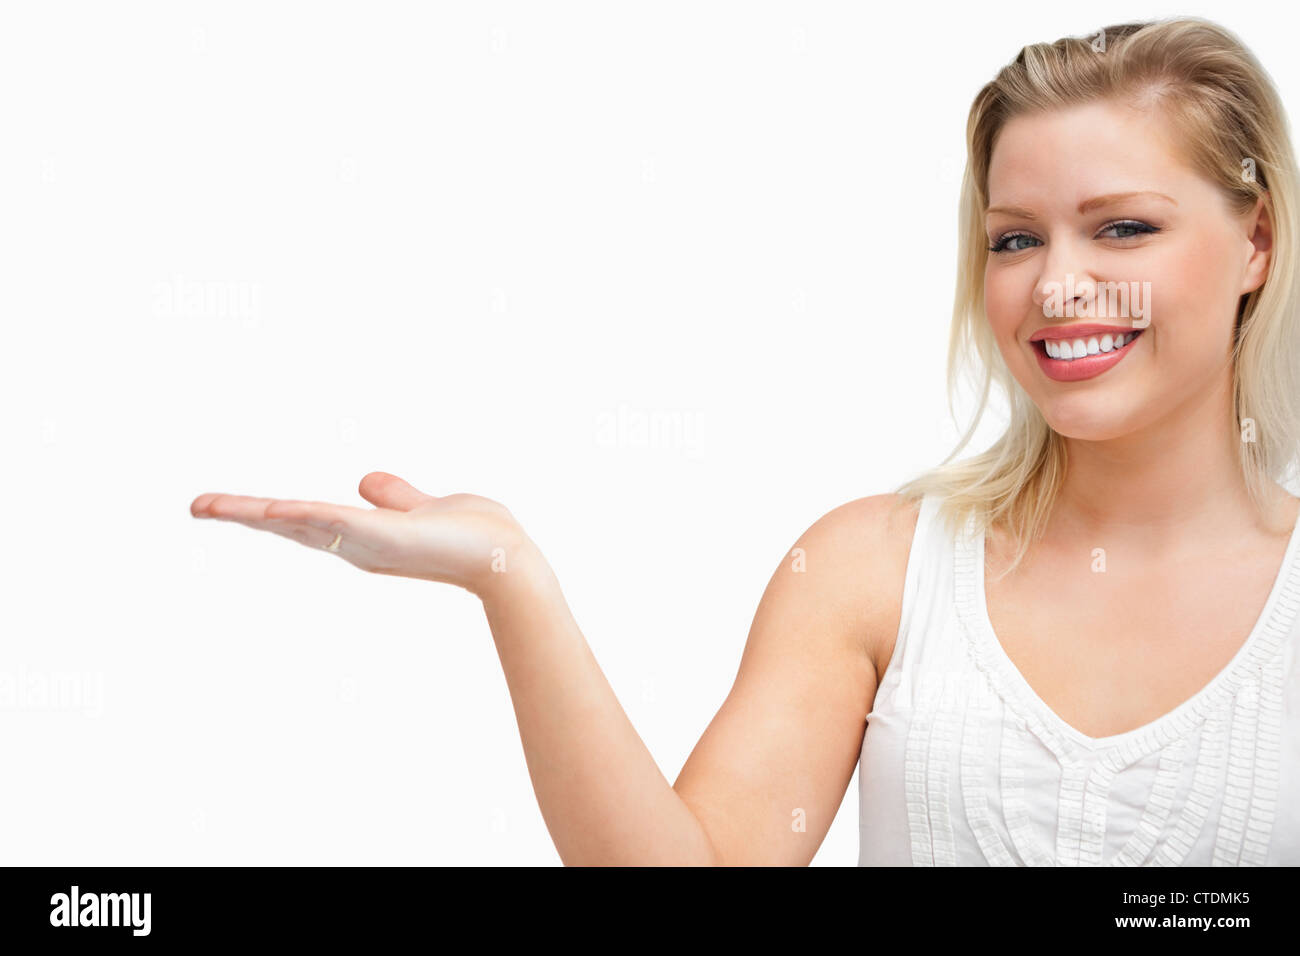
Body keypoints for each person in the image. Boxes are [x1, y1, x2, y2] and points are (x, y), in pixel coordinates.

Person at [190, 16, 1300, 865]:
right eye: (1015, 237)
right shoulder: (873, 568)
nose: (1058, 286)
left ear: (1254, 238)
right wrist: (509, 579)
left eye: (1123, 227)